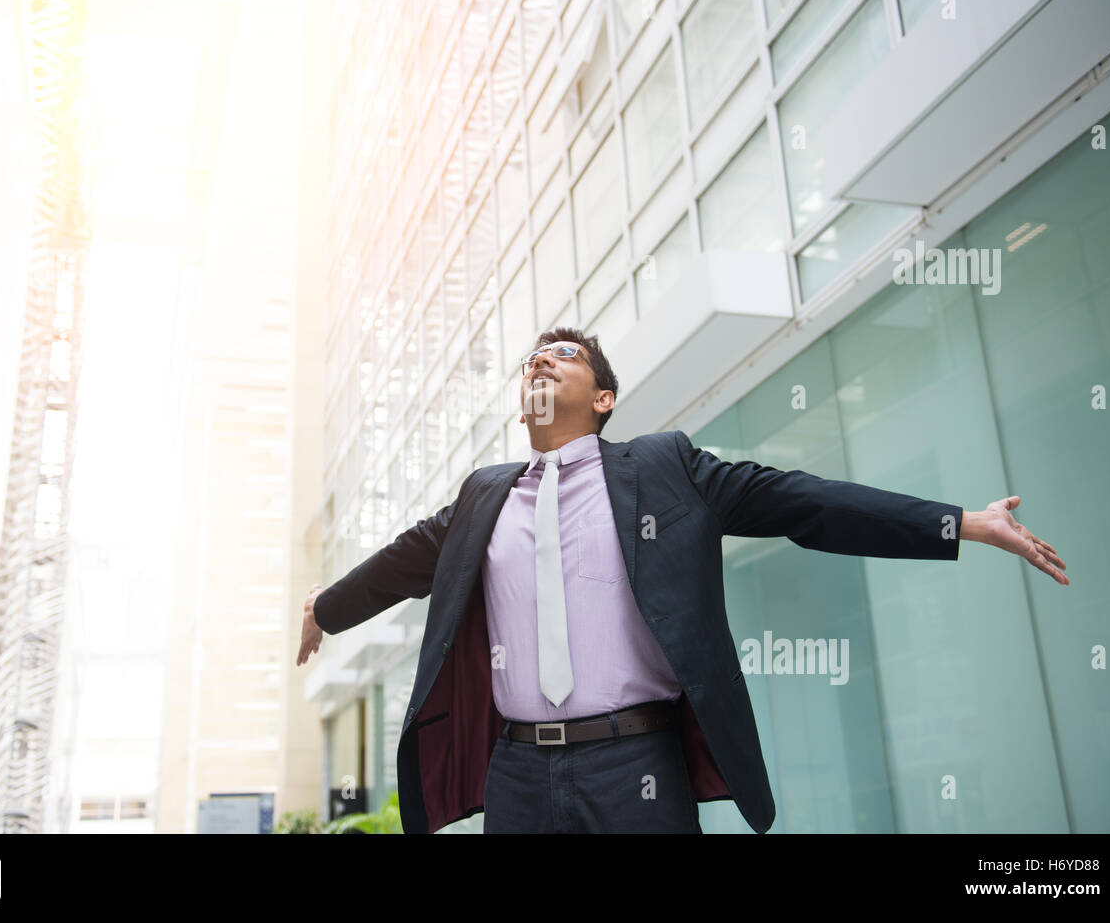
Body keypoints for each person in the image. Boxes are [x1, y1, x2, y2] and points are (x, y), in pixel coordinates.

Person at [296, 327, 1068, 833]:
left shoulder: (663, 467)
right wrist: (323, 611)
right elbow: (402, 560)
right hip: (518, 773)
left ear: (602, 399)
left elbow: (799, 500)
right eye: (532, 355)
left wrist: (959, 521)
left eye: (561, 354)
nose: (540, 359)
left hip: (634, 765)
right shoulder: (484, 495)